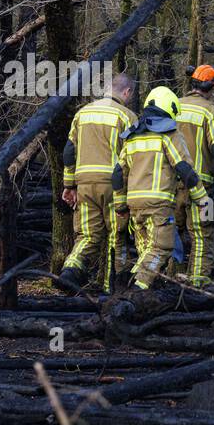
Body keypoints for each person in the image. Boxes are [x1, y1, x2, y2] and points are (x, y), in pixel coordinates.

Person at [112, 86, 211, 292]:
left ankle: (131, 288)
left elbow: (118, 174)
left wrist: (120, 205)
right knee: (162, 247)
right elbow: (185, 170)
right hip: (158, 205)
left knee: (146, 250)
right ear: (169, 108)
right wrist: (203, 199)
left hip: (135, 206)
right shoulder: (169, 134)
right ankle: (136, 290)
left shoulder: (132, 137)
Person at [57, 72, 137, 292]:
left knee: (87, 235)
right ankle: (112, 289)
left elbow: (69, 151)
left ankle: (69, 272)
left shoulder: (82, 113)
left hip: (84, 183)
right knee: (117, 236)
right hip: (114, 185)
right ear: (127, 92)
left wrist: (69, 185)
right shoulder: (127, 117)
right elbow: (134, 154)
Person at [172, 64, 214, 288]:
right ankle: (198, 282)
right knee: (203, 233)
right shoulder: (211, 111)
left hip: (171, 185)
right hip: (202, 188)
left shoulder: (175, 105)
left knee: (171, 232)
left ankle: (170, 277)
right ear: (212, 86)